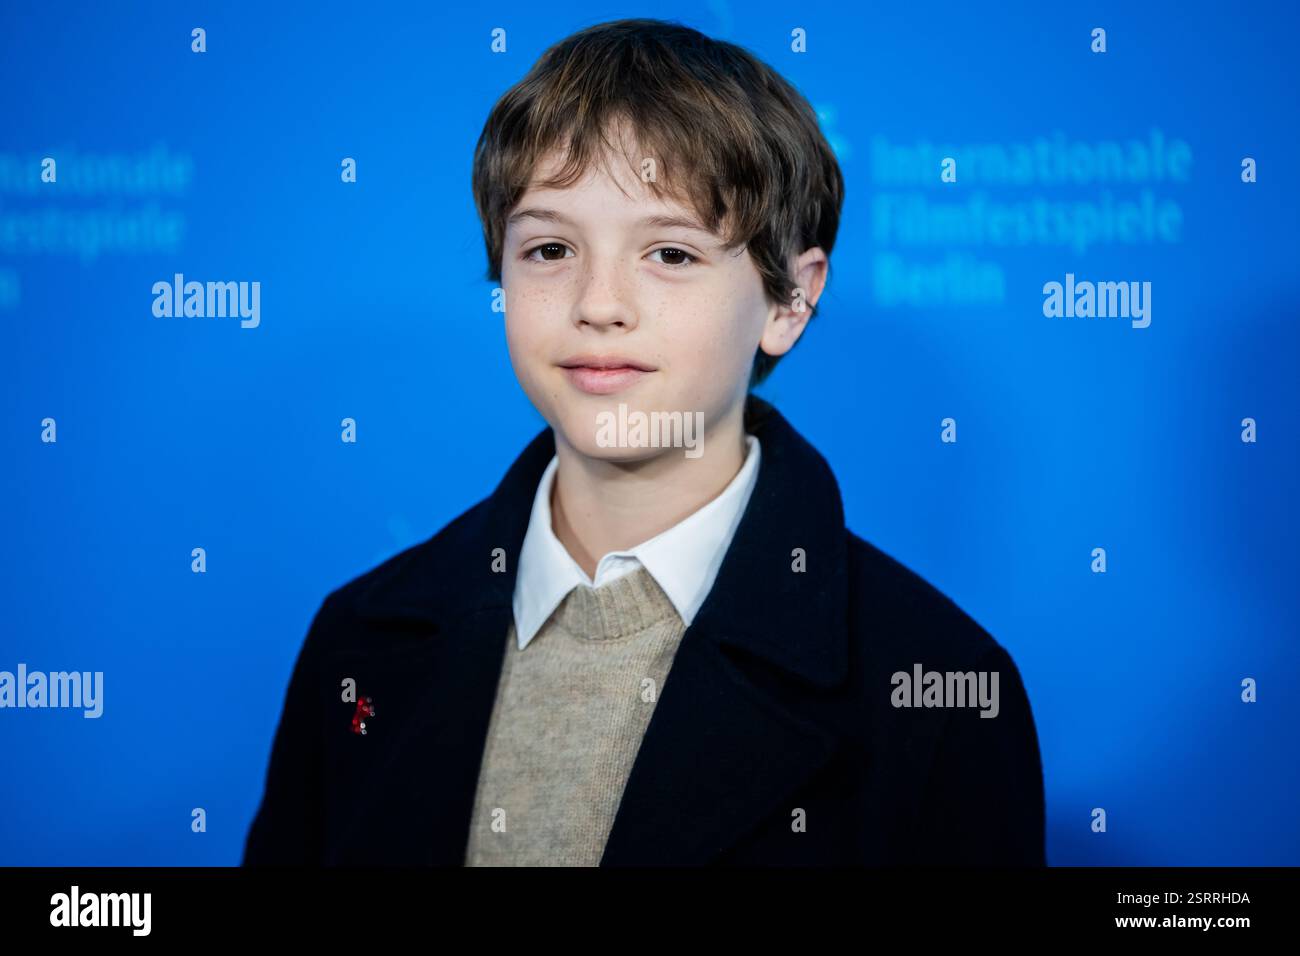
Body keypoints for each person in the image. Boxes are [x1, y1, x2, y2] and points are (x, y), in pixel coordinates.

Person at [243, 17, 1046, 866]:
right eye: (550, 248)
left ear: (789, 301)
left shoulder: (936, 684)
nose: (598, 302)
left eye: (668, 253)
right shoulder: (361, 636)